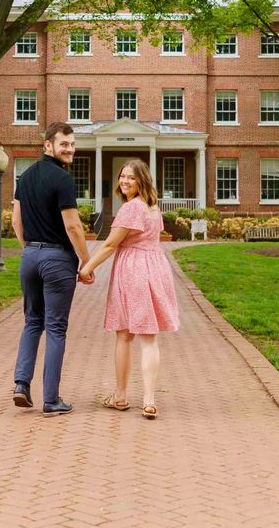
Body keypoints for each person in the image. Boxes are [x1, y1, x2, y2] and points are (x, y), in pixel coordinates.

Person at [79, 160, 179, 420]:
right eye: (122, 177)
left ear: (141, 181)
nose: (124, 182)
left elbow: (111, 245)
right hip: (156, 267)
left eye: (130, 178)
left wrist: (87, 267)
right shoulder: (153, 207)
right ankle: (149, 400)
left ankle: (122, 396)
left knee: (124, 335)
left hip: (133, 269)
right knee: (149, 336)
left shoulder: (130, 208)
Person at [11, 123, 93, 416]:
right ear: (48, 145)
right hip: (57, 259)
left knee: (33, 322)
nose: (69, 149)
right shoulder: (62, 179)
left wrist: (29, 249)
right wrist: (86, 260)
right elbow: (73, 226)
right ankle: (51, 399)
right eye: (64, 144)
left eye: (72, 144)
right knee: (56, 327)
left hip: (30, 256)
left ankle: (21, 384)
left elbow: (15, 222)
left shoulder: (26, 177)